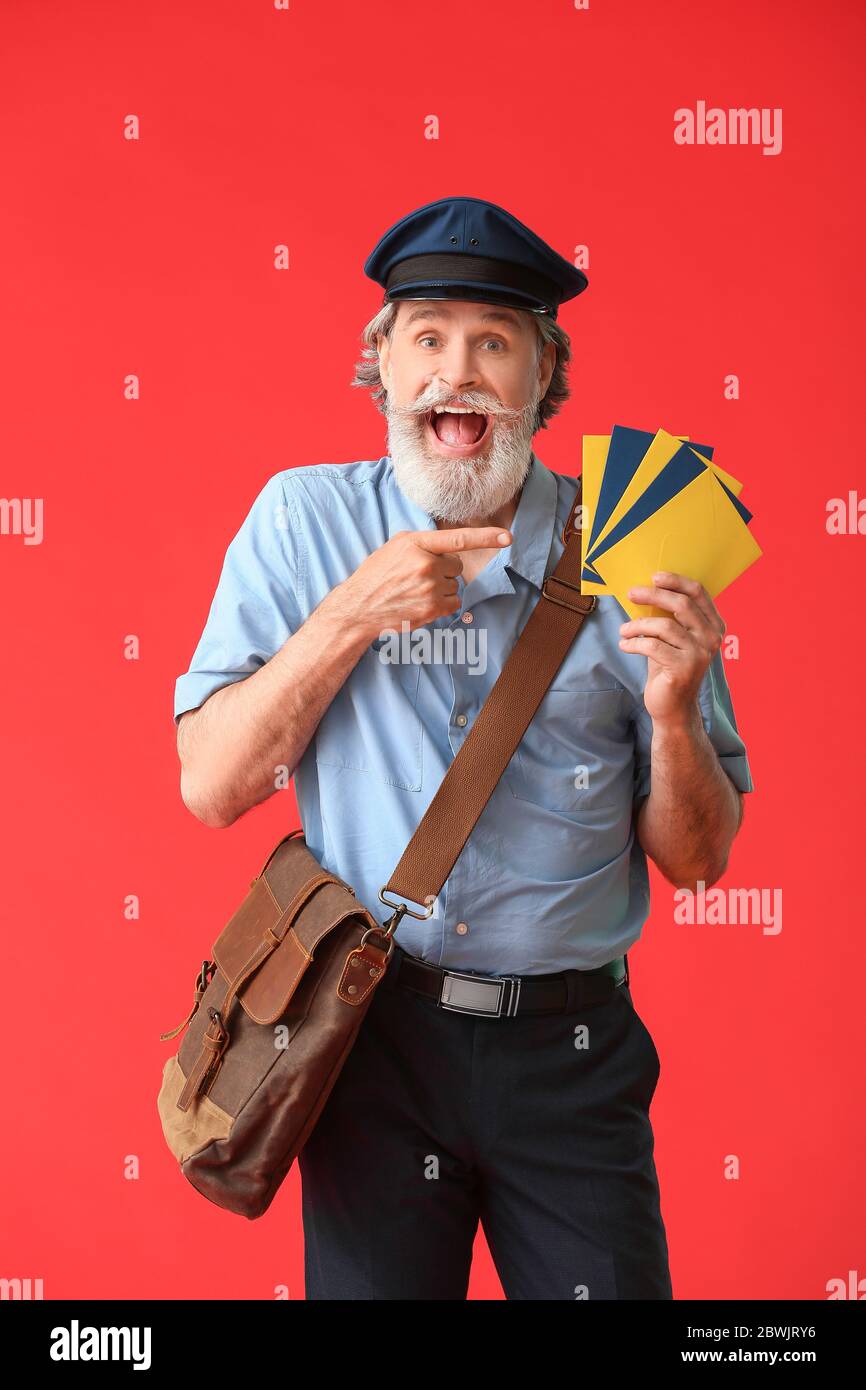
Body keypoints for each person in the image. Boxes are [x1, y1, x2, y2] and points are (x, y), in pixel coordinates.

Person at [174, 196, 753, 1300]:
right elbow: (211, 784)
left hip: (570, 1054)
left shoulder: (632, 536)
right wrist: (349, 613)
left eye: (495, 341)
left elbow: (699, 859)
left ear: (544, 377)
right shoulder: (303, 521)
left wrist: (675, 712)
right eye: (427, 334)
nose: (458, 370)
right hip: (367, 1042)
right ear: (379, 364)